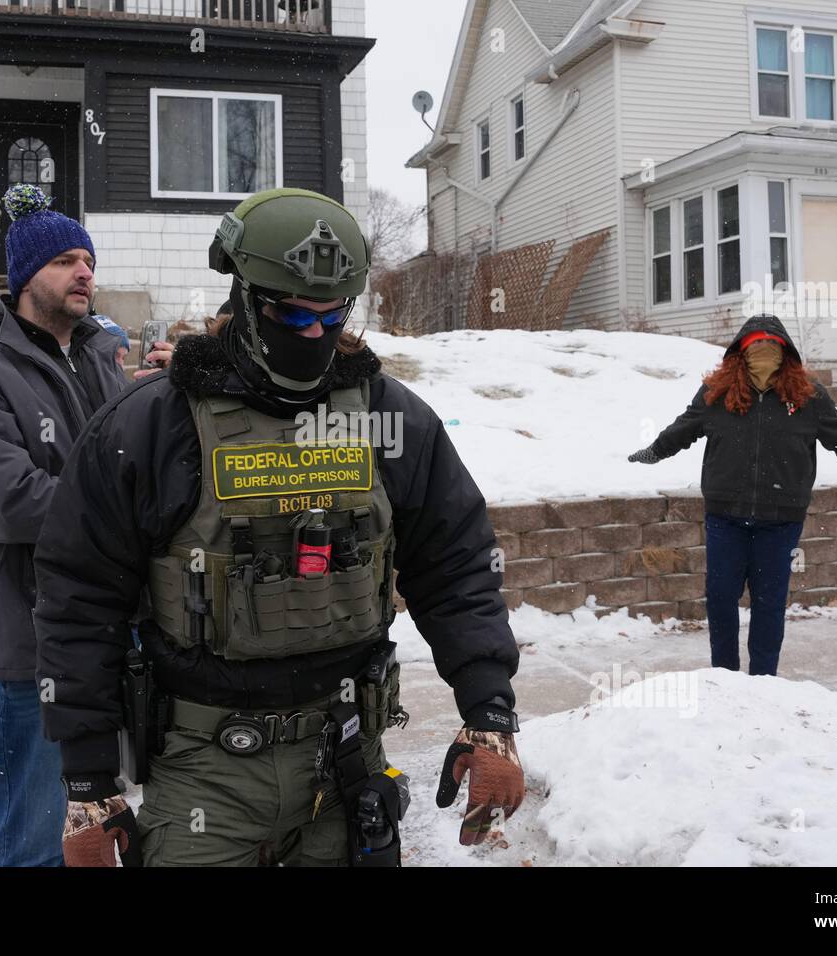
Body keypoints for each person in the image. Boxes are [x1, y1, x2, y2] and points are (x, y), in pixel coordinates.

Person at [32, 187, 524, 866]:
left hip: (347, 757)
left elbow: (457, 565)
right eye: (289, 314)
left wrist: (490, 713)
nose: (313, 336)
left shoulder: (389, 418)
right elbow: (79, 598)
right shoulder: (152, 424)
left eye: (331, 317)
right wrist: (89, 783)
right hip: (205, 770)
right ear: (242, 293)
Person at [0, 183, 172, 866]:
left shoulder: (104, 361)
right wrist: (125, 512)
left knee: (107, 826)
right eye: (65, 259)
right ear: (24, 276)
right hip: (24, 645)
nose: (84, 272)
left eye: (88, 260)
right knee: (39, 841)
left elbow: (149, 466)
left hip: (111, 630)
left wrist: (173, 394)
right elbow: (11, 504)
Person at [627, 314, 837, 676]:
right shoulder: (717, 393)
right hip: (725, 517)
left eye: (771, 345)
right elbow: (684, 427)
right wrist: (655, 451)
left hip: (780, 521)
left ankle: (764, 683)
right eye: (755, 345)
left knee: (769, 605)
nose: (763, 352)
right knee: (720, 600)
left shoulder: (807, 396)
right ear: (740, 351)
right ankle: (724, 678)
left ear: (786, 352)